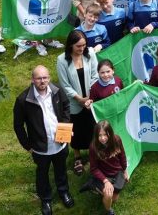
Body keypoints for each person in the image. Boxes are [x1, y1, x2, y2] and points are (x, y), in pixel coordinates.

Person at [14, 65, 74, 215]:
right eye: (39, 78)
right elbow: (18, 126)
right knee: (42, 174)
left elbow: (66, 106)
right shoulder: (23, 100)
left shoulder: (57, 90)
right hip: (40, 147)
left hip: (60, 143)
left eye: (45, 77)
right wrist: (27, 145)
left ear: (49, 78)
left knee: (61, 170)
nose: (42, 81)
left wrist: (65, 127)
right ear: (32, 80)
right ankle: (46, 199)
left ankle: (63, 192)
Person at [56, 31, 98, 177]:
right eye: (78, 46)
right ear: (70, 45)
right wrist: (79, 99)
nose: (82, 49)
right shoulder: (62, 60)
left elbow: (95, 75)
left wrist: (89, 96)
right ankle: (77, 156)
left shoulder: (90, 53)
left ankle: (94, 154)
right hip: (74, 102)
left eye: (84, 45)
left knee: (92, 127)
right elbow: (64, 85)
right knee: (76, 129)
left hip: (90, 99)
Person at [88, 120, 128, 214]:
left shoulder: (117, 140)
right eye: (99, 135)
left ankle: (95, 187)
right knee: (108, 195)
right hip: (104, 175)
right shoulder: (93, 147)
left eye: (105, 134)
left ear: (110, 132)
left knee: (114, 198)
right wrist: (105, 181)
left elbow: (122, 156)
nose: (102, 138)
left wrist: (125, 170)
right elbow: (94, 168)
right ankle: (109, 211)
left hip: (117, 172)